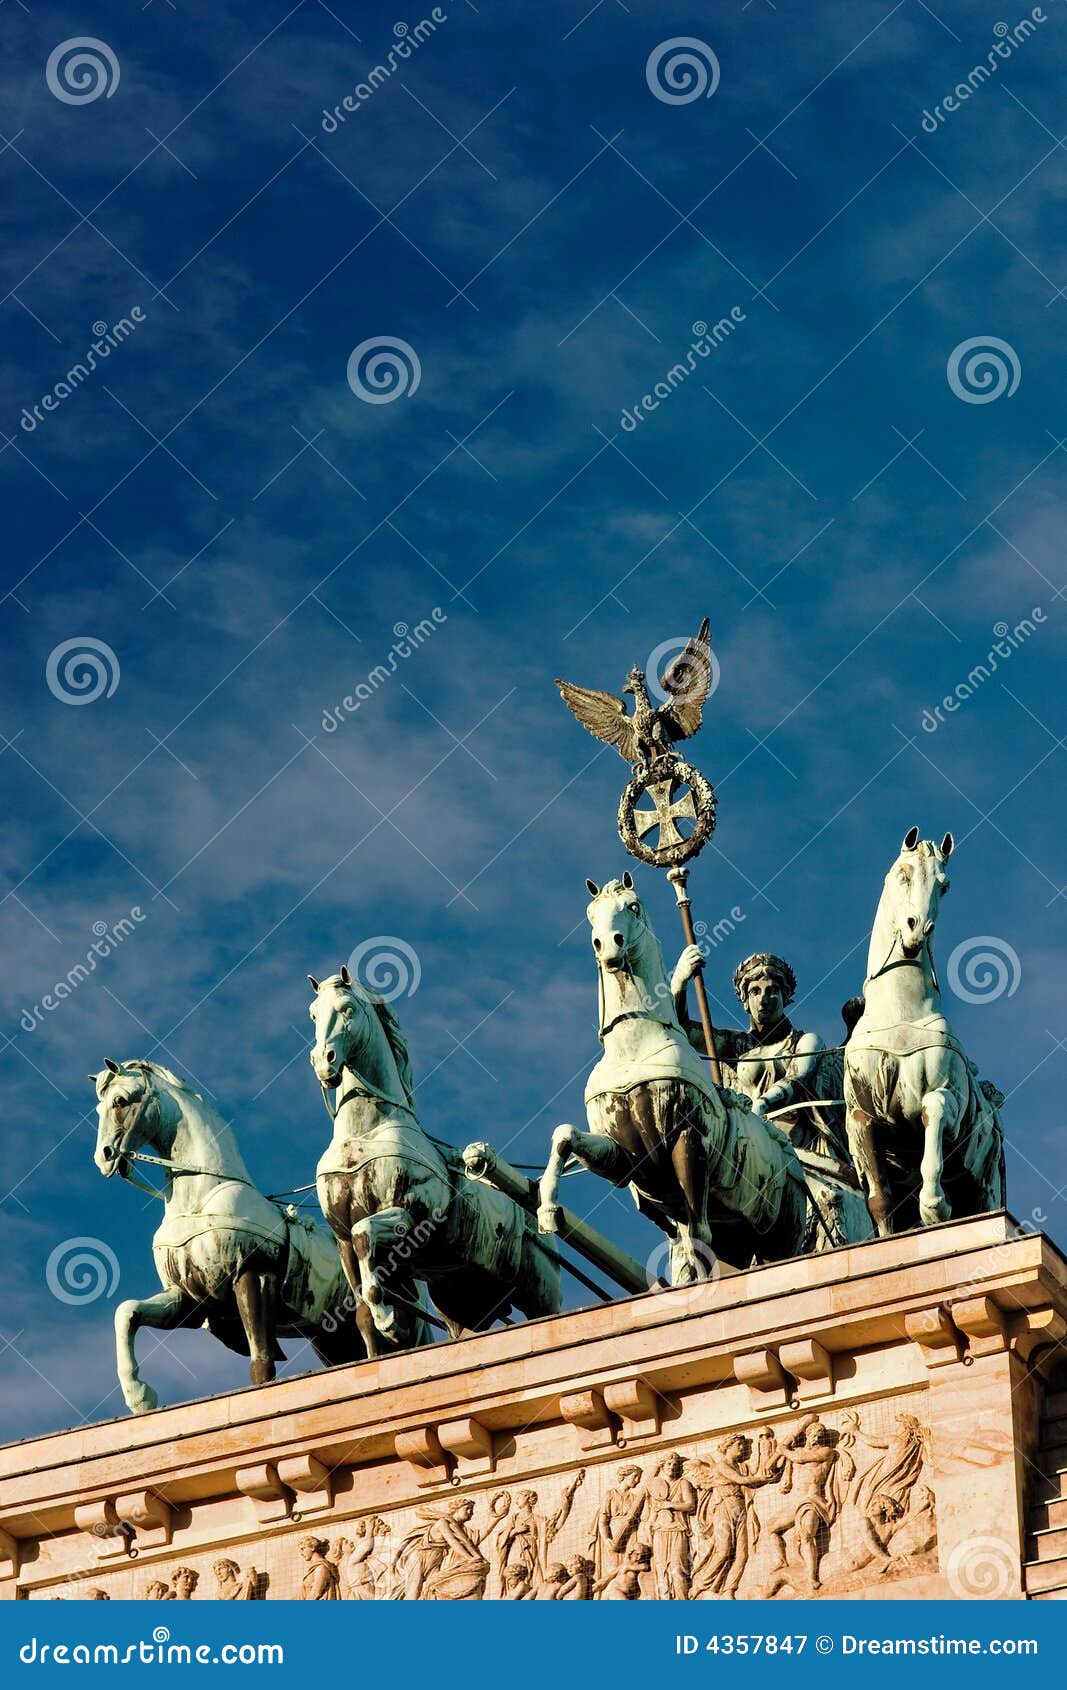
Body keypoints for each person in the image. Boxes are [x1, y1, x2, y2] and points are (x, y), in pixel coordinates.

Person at [672, 949, 850, 1165]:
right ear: (746, 1002)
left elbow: (798, 1077)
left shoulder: (805, 1041)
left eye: (772, 990)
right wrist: (679, 982)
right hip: (748, 1145)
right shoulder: (735, 1045)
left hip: (796, 1147)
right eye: (755, 991)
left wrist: (762, 1104)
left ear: (785, 997)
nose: (764, 999)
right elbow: (681, 1030)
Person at [647, 1452, 697, 1599]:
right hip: (659, 1531)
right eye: (669, 1464)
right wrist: (650, 1526)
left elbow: (690, 1505)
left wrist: (670, 1505)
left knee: (677, 1569)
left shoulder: (683, 1483)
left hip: (677, 1530)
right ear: (663, 1466)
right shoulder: (656, 1485)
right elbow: (653, 1511)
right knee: (661, 1570)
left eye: (675, 1464)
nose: (672, 1467)